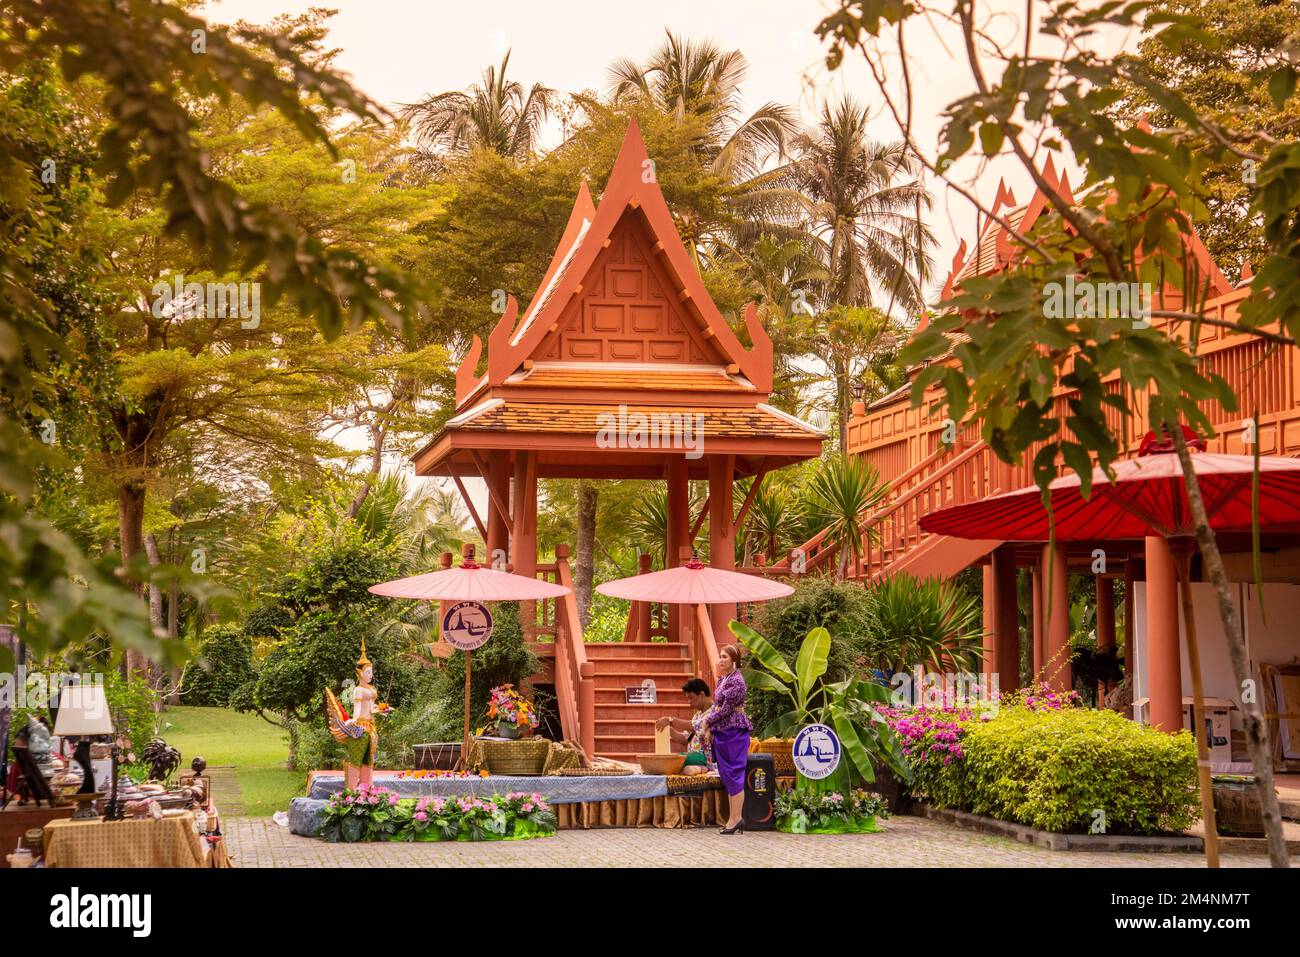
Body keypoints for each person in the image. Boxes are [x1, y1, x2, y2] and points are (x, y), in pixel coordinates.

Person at [705, 645, 752, 834]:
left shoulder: (737, 681)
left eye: (725, 657)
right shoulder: (723, 679)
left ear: (733, 660)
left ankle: (736, 818)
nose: (721, 660)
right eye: (720, 656)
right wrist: (710, 726)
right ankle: (733, 818)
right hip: (723, 732)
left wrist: (707, 722)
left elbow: (725, 710)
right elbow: (717, 706)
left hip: (734, 732)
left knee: (734, 773)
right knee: (727, 775)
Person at [655, 678, 713, 776]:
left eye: (691, 698)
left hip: (705, 757)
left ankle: (703, 768)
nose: (689, 702)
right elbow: (686, 740)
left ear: (701, 695)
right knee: (671, 760)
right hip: (693, 757)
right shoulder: (698, 715)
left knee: (674, 760)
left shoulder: (714, 713)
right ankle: (698, 769)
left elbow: (693, 726)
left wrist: (670, 720)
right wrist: (668, 730)